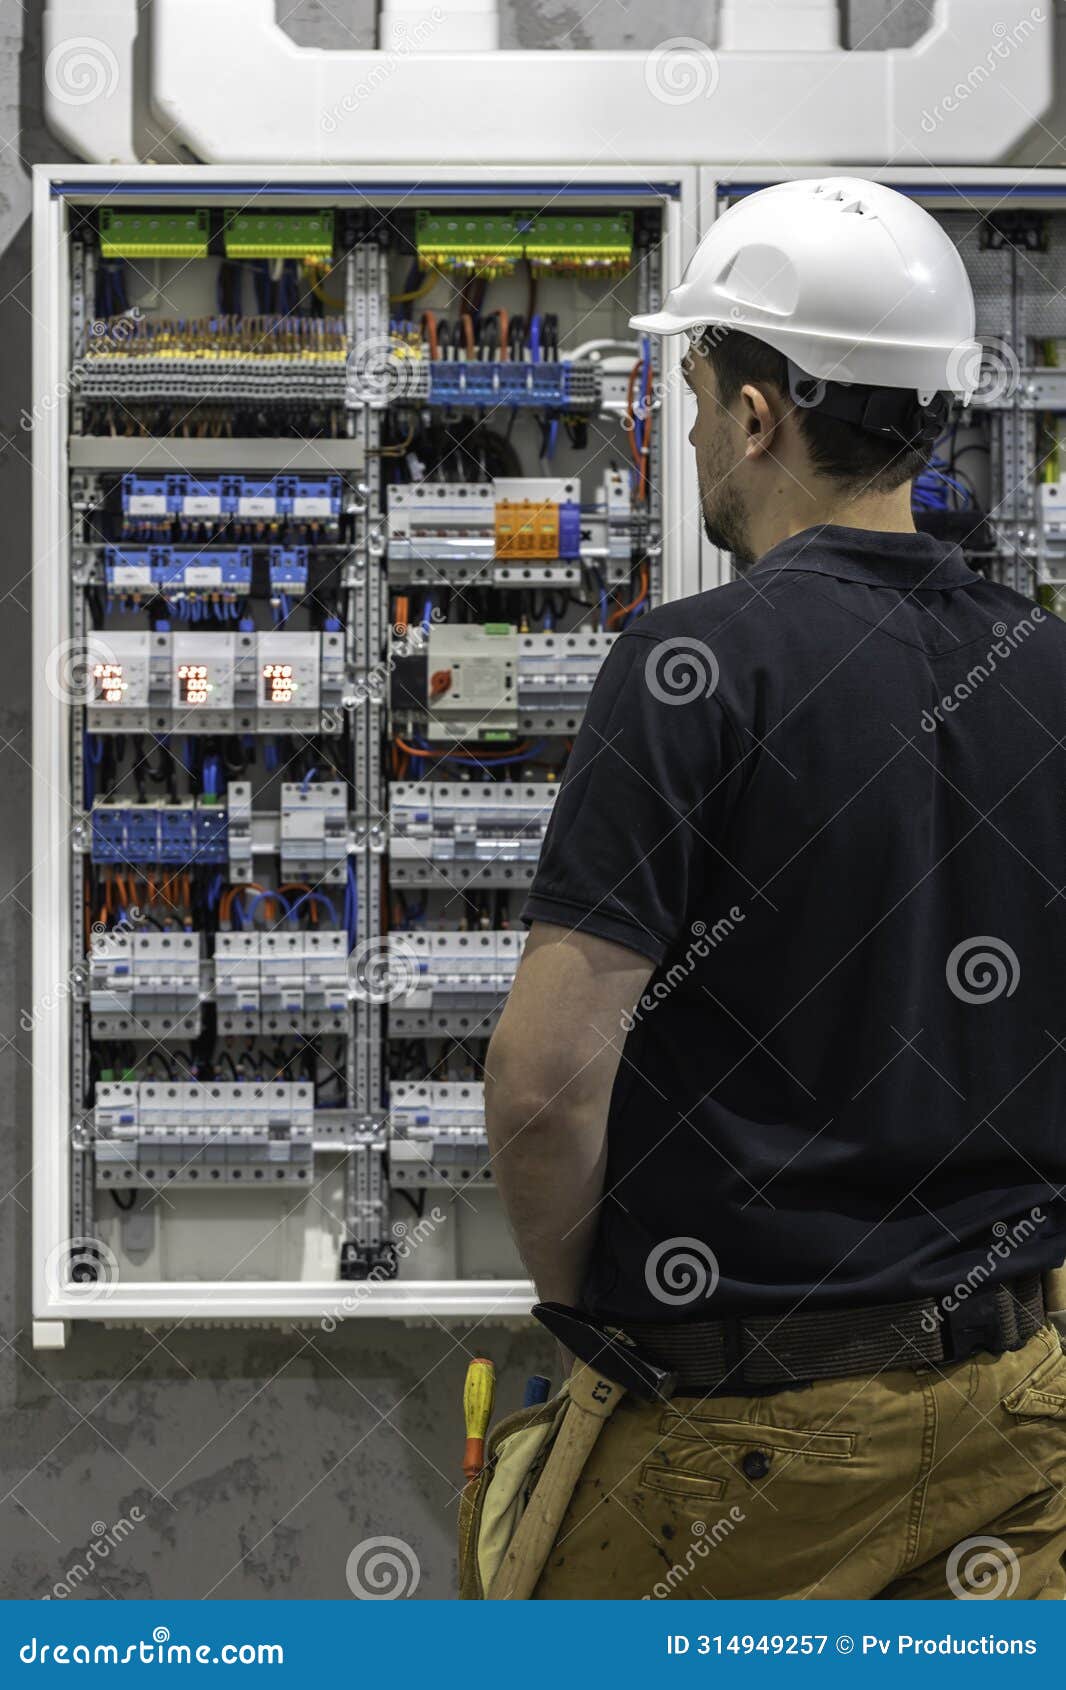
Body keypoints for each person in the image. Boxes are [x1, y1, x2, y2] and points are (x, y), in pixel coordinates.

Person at [484, 177, 1066, 1600]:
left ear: (759, 415)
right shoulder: (1047, 673)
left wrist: (586, 1319)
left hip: (736, 1431)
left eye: (690, 390)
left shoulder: (687, 670)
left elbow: (547, 1085)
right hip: (1021, 1409)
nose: (683, 432)